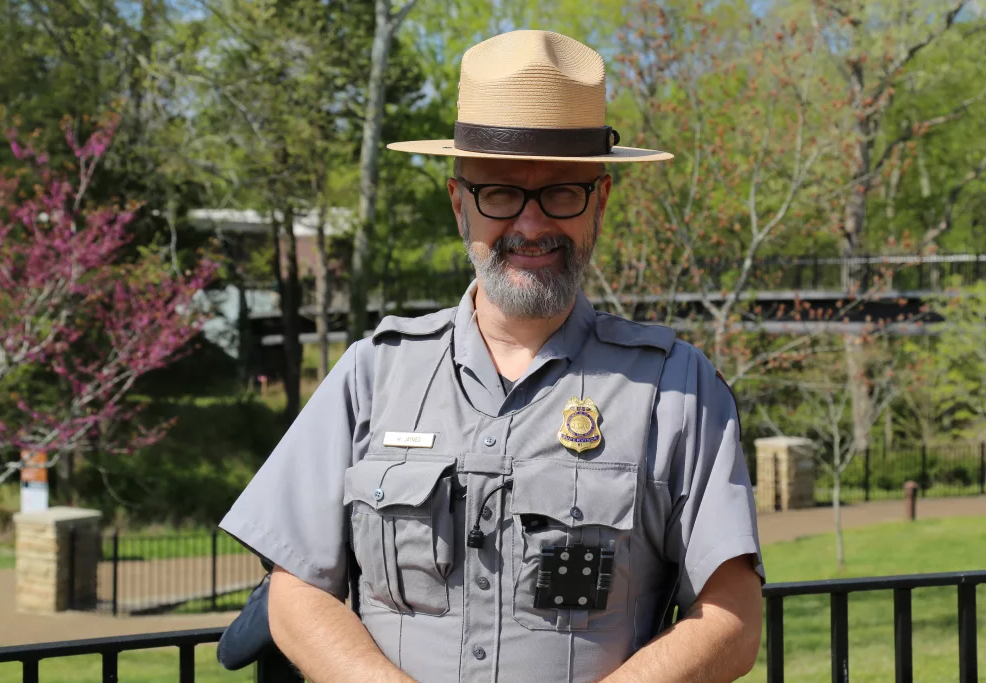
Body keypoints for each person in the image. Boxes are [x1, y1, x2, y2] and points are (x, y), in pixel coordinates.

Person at [220, 29, 764, 683]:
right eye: (500, 193)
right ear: (459, 204)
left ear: (600, 203)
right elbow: (295, 587)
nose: (531, 225)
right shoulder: (373, 373)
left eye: (562, 191)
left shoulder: (677, 389)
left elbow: (732, 616)